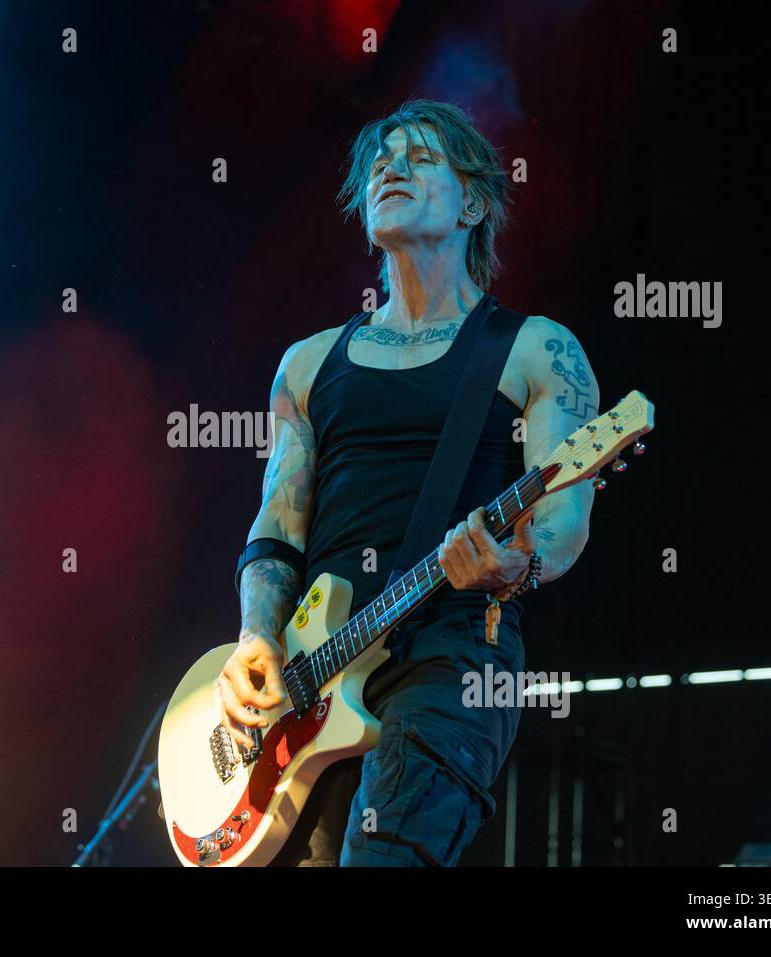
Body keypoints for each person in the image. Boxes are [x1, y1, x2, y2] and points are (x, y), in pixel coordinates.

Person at [219, 100, 599, 866]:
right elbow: (278, 525)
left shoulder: (535, 349)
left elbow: (560, 523)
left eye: (422, 156)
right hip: (312, 671)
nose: (391, 166)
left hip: (454, 648)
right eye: (380, 160)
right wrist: (256, 632)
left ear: (475, 203)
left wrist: (512, 567)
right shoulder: (308, 363)